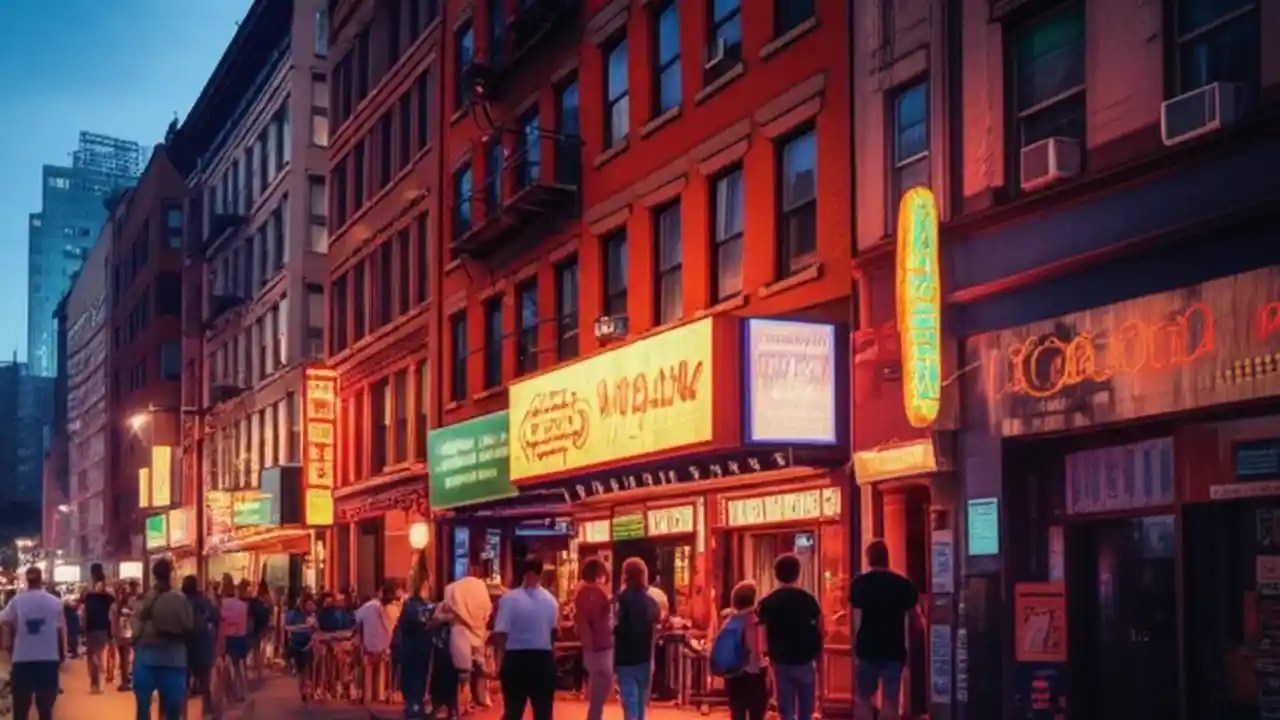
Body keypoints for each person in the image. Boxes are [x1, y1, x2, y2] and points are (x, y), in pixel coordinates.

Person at [849, 540, 919, 720]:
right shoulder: (903, 584)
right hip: (894, 649)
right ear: (887, 558)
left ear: (869, 559)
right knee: (891, 700)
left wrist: (854, 645)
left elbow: (855, 618)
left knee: (863, 698)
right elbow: (913, 617)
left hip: (867, 648)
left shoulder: (860, 584)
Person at [757, 554, 823, 720]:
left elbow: (761, 630)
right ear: (798, 573)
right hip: (805, 659)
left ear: (776, 574)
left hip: (781, 660)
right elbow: (822, 628)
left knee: (785, 708)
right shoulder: (809, 600)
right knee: (806, 709)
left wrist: (765, 655)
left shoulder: (769, 602)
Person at [493, 556, 559, 720]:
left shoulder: (509, 599)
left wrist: (500, 661)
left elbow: (501, 633)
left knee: (513, 711)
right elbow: (554, 633)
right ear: (540, 573)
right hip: (543, 660)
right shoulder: (551, 601)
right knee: (543, 712)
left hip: (516, 659)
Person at [0, 566, 66, 720]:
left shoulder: (17, 602)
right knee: (45, 710)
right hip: (48, 659)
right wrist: (63, 655)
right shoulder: (55, 603)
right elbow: (61, 629)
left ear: (27, 580)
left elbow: (3, 619)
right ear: (41, 579)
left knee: (21, 711)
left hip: (22, 660)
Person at [133, 557, 194, 720]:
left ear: (154, 575)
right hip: (173, 659)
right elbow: (189, 626)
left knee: (143, 708)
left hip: (146, 658)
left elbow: (136, 629)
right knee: (173, 711)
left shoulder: (146, 598)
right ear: (171, 574)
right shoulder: (180, 600)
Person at [613, 558, 661, 720]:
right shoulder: (651, 602)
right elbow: (658, 624)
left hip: (624, 659)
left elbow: (612, 626)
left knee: (630, 703)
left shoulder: (619, 601)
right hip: (645, 659)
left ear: (625, 576)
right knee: (641, 704)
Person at [441, 562, 493, 710]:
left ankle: (460, 705)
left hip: (459, 632)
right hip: (477, 633)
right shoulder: (481, 588)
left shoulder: (452, 588)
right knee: (477, 668)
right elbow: (487, 610)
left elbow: (446, 609)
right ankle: (476, 698)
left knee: (461, 672)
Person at [394, 560, 441, 719]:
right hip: (415, 649)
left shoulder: (422, 605)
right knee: (415, 679)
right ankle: (414, 707)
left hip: (418, 649)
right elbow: (412, 624)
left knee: (417, 678)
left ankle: (416, 706)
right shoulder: (414, 605)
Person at [574, 558, 613, 720]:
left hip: (592, 647)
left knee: (599, 685)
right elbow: (598, 621)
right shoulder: (594, 593)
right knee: (603, 683)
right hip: (600, 646)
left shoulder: (582, 593)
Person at [724, 581, 767, 720]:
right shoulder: (756, 622)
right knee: (757, 710)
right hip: (754, 673)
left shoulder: (729, 622)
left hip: (733, 674)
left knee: (737, 708)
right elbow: (761, 648)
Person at [182, 575, 219, 716]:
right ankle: (207, 712)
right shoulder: (205, 602)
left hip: (186, 647)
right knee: (205, 684)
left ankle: (183, 715)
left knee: (183, 687)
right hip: (204, 646)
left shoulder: (181, 602)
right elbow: (216, 618)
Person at [353, 580, 395, 704]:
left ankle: (368, 697)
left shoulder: (369, 606)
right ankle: (379, 695)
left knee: (369, 671)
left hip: (370, 646)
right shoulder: (394, 608)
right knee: (381, 670)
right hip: (384, 647)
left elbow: (356, 618)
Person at [82, 564, 115, 694]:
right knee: (99, 653)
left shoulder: (88, 589)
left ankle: (94, 683)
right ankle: (98, 681)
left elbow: (82, 599)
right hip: (103, 624)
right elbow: (112, 601)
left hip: (91, 624)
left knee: (92, 654)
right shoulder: (107, 589)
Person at [218, 576, 250, 703]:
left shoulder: (220, 604)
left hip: (226, 637)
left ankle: (229, 693)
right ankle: (240, 692)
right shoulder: (242, 605)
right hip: (240, 636)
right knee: (238, 666)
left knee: (225, 667)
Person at [283, 593, 318, 704]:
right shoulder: (293, 614)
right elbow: (287, 627)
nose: (310, 606)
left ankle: (306, 690)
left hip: (309, 644)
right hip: (297, 644)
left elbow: (317, 628)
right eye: (308, 603)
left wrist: (314, 625)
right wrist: (303, 627)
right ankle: (302, 689)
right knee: (300, 670)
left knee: (307, 669)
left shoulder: (312, 615)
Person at [111, 579, 139, 691]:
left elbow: (115, 618)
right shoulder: (132, 601)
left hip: (122, 633)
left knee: (124, 659)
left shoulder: (118, 603)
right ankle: (128, 681)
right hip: (129, 633)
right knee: (128, 658)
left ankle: (125, 681)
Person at [247, 581, 273, 682]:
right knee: (263, 647)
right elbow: (271, 612)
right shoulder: (268, 600)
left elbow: (250, 615)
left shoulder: (254, 600)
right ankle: (259, 670)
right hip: (264, 625)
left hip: (256, 626)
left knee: (256, 648)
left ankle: (258, 668)